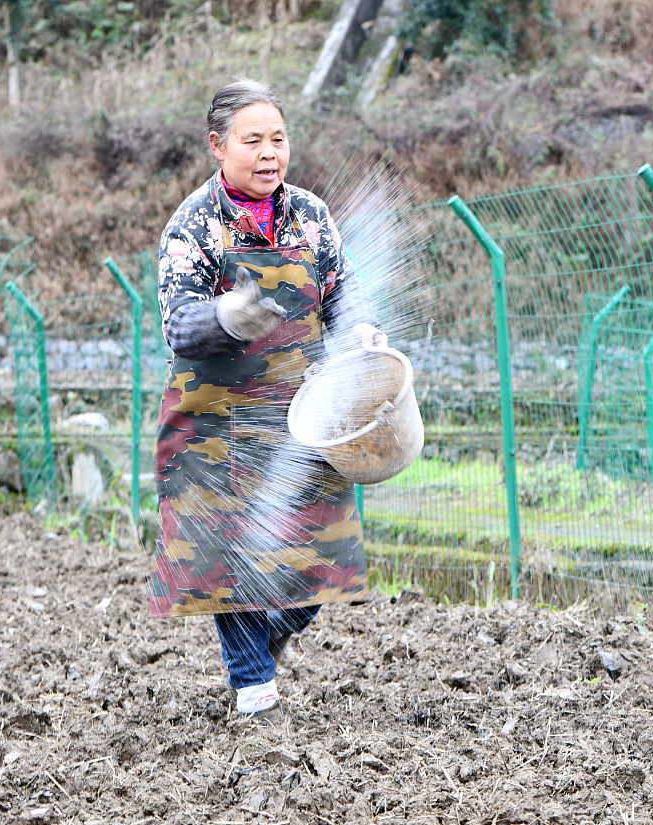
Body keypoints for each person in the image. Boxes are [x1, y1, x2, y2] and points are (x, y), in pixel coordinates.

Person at [150, 79, 386, 718]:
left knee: (316, 550)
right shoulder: (194, 226)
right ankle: (255, 693)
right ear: (217, 146)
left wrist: (360, 325)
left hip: (300, 413)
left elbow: (342, 291)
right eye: (252, 140)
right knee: (228, 558)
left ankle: (268, 640)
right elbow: (179, 325)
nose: (268, 153)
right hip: (217, 421)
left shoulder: (310, 216)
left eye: (277, 139)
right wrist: (228, 316)